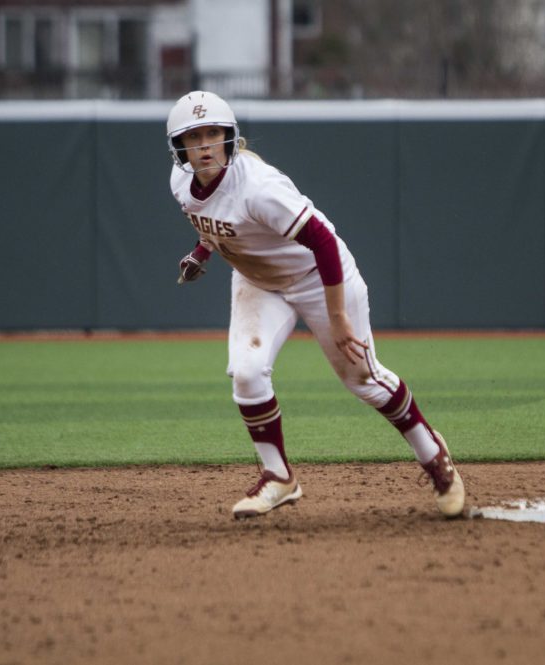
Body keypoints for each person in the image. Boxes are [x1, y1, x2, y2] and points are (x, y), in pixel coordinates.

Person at [166, 90, 465, 519]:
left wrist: (339, 316)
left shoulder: (258, 187)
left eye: (213, 133)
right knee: (248, 374)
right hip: (259, 281)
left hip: (317, 277)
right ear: (180, 148)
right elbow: (216, 222)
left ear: (230, 136)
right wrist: (202, 252)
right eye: (194, 137)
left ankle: (433, 454)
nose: (206, 145)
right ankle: (279, 477)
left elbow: (322, 240)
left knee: (364, 379)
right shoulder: (180, 182)